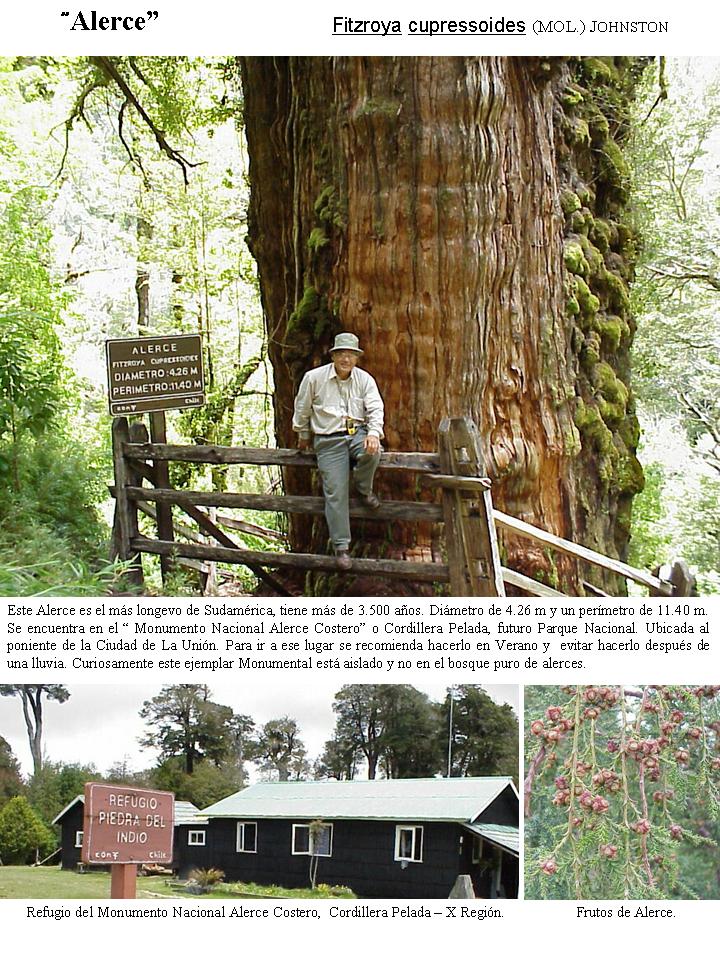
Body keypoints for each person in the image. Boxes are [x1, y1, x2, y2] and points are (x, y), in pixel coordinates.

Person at [292, 332, 384, 570]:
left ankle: (363, 488)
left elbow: (375, 408)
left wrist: (373, 432)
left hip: (357, 434)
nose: (346, 359)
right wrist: (302, 434)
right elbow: (303, 407)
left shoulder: (365, 380)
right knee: (335, 492)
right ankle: (341, 547)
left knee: (372, 452)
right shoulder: (314, 378)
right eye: (341, 354)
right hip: (328, 440)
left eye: (351, 355)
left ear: (357, 358)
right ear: (333, 355)